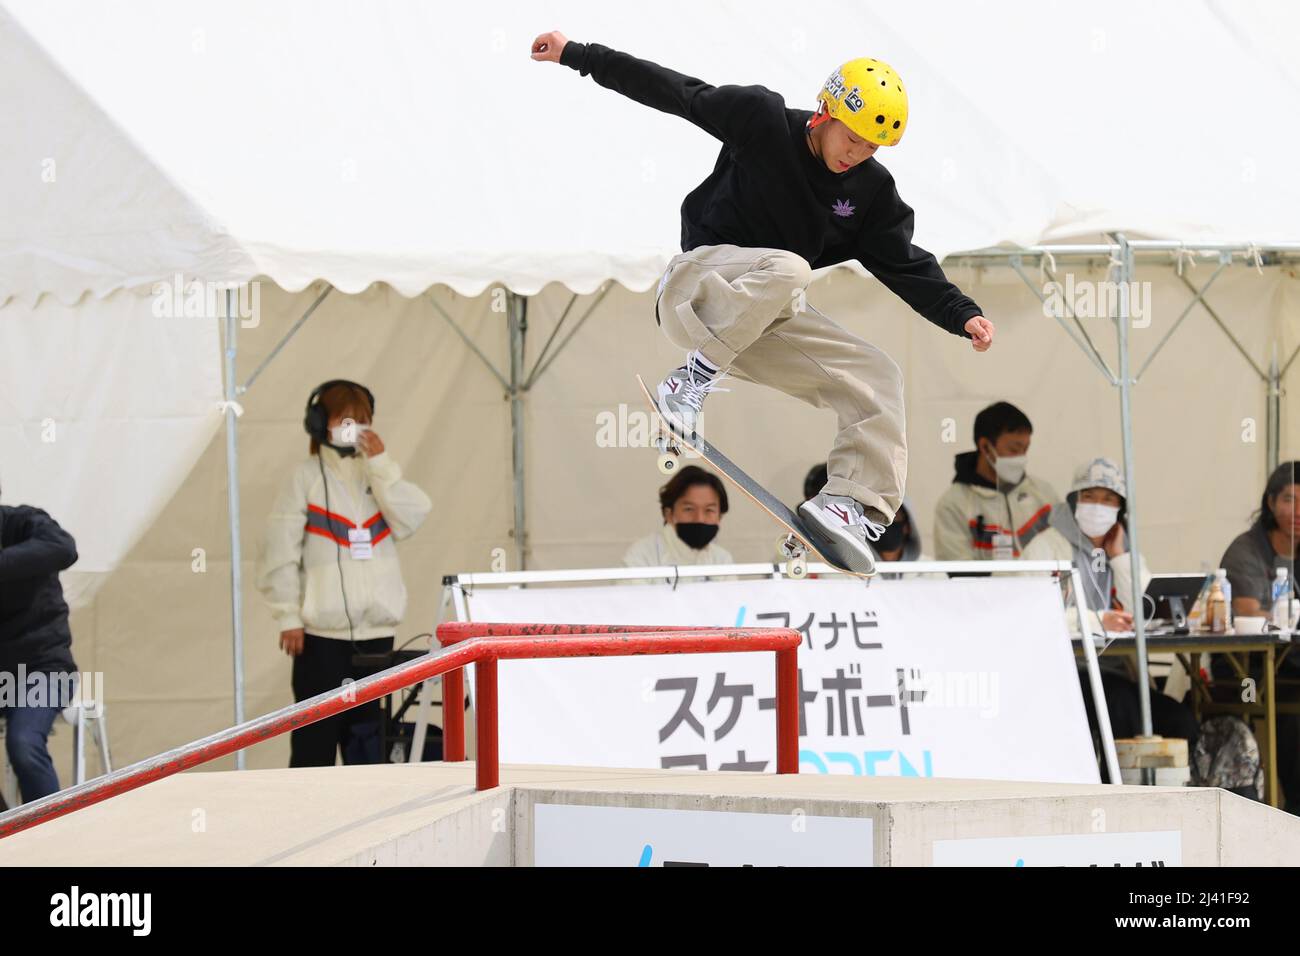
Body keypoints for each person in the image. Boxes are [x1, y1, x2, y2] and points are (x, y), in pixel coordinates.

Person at [532, 32, 994, 576]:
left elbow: (904, 262)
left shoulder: (868, 191)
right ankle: (690, 382)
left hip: (758, 321)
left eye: (871, 147)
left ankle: (846, 503)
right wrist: (578, 55)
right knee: (791, 269)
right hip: (696, 288)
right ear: (825, 113)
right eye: (852, 138)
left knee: (878, 376)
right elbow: (674, 90)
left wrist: (960, 311)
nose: (857, 155)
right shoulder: (762, 119)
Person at [256, 381, 431, 768]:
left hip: (377, 636)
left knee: (369, 746)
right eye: (345, 419)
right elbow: (278, 553)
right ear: (321, 423)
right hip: (321, 639)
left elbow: (413, 516)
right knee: (314, 744)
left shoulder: (378, 475)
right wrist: (287, 616)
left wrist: (383, 464)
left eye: (363, 420)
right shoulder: (305, 477)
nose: (355, 427)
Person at [1025, 458, 1199, 776]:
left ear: (1120, 509)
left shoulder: (1123, 550)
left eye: (1109, 500)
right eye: (1090, 496)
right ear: (1074, 500)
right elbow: (1028, 613)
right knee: (1123, 711)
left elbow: (1145, 610)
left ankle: (1173, 803)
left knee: (1180, 721)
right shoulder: (1045, 547)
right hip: (1064, 674)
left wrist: (1120, 557)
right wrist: (1096, 621)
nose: (1098, 506)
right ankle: (1120, 799)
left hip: (1116, 672)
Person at [1215, 461, 1300, 811]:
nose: (1297, 511)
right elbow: (1249, 613)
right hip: (1249, 670)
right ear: (1269, 502)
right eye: (1289, 499)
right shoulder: (1246, 550)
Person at [0, 489, 79, 802]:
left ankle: (51, 833)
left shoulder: (26, 523)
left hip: (45, 671)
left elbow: (64, 549)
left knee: (23, 744)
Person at [933, 402, 1063, 561]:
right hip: (983, 587)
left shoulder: (1044, 494)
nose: (1021, 457)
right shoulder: (954, 504)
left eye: (1025, 449)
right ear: (985, 447)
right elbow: (958, 573)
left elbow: (1063, 551)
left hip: (1042, 586)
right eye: (1014, 449)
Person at [624, 465, 735, 578]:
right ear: (669, 514)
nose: (699, 519)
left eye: (709, 510)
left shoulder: (722, 559)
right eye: (689, 509)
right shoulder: (642, 556)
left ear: (720, 516)